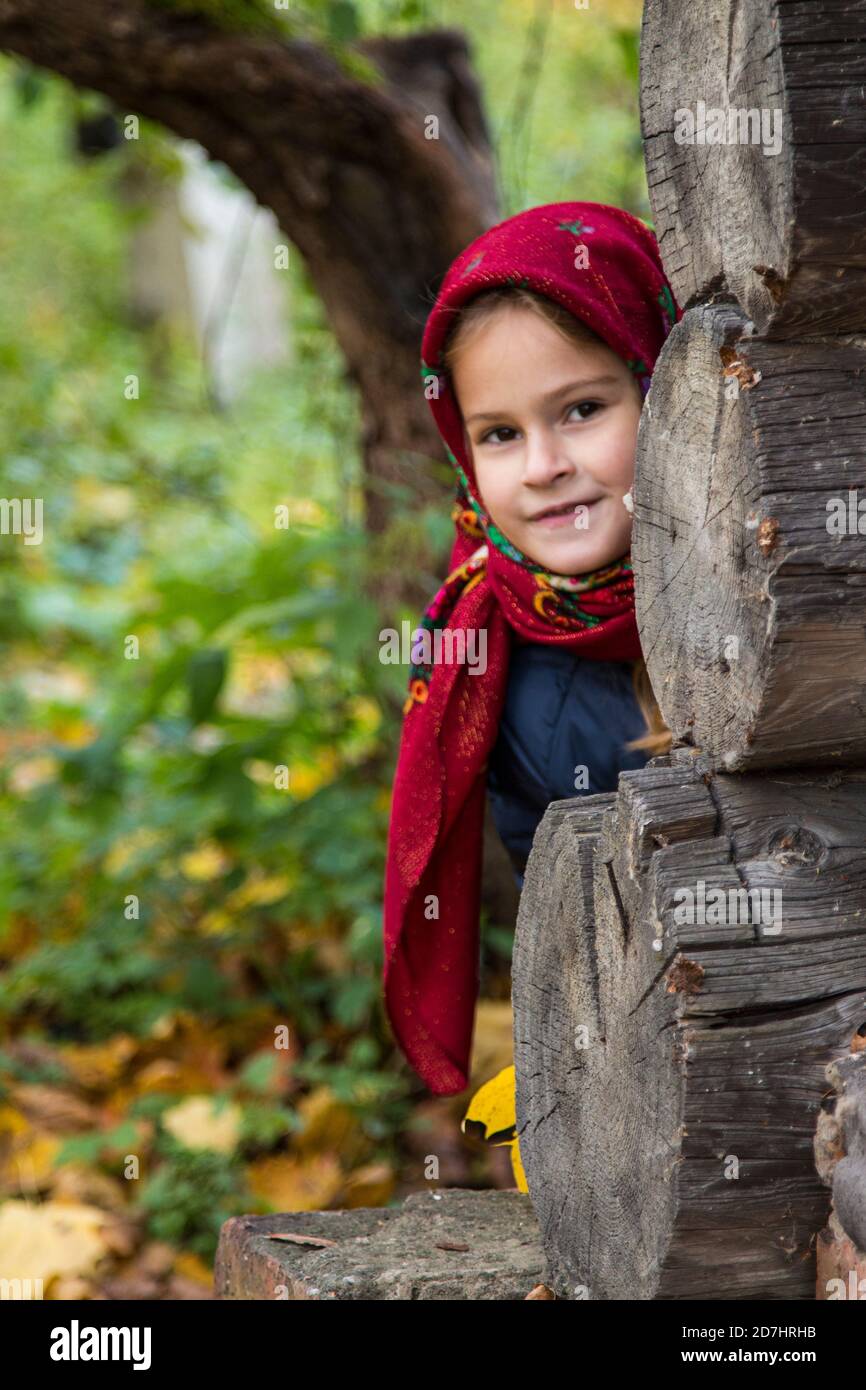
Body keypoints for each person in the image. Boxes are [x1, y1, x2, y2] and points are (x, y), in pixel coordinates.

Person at [383, 201, 679, 1101]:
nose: (543, 465)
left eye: (582, 409)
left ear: (667, 387)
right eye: (500, 434)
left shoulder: (783, 572)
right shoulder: (499, 667)